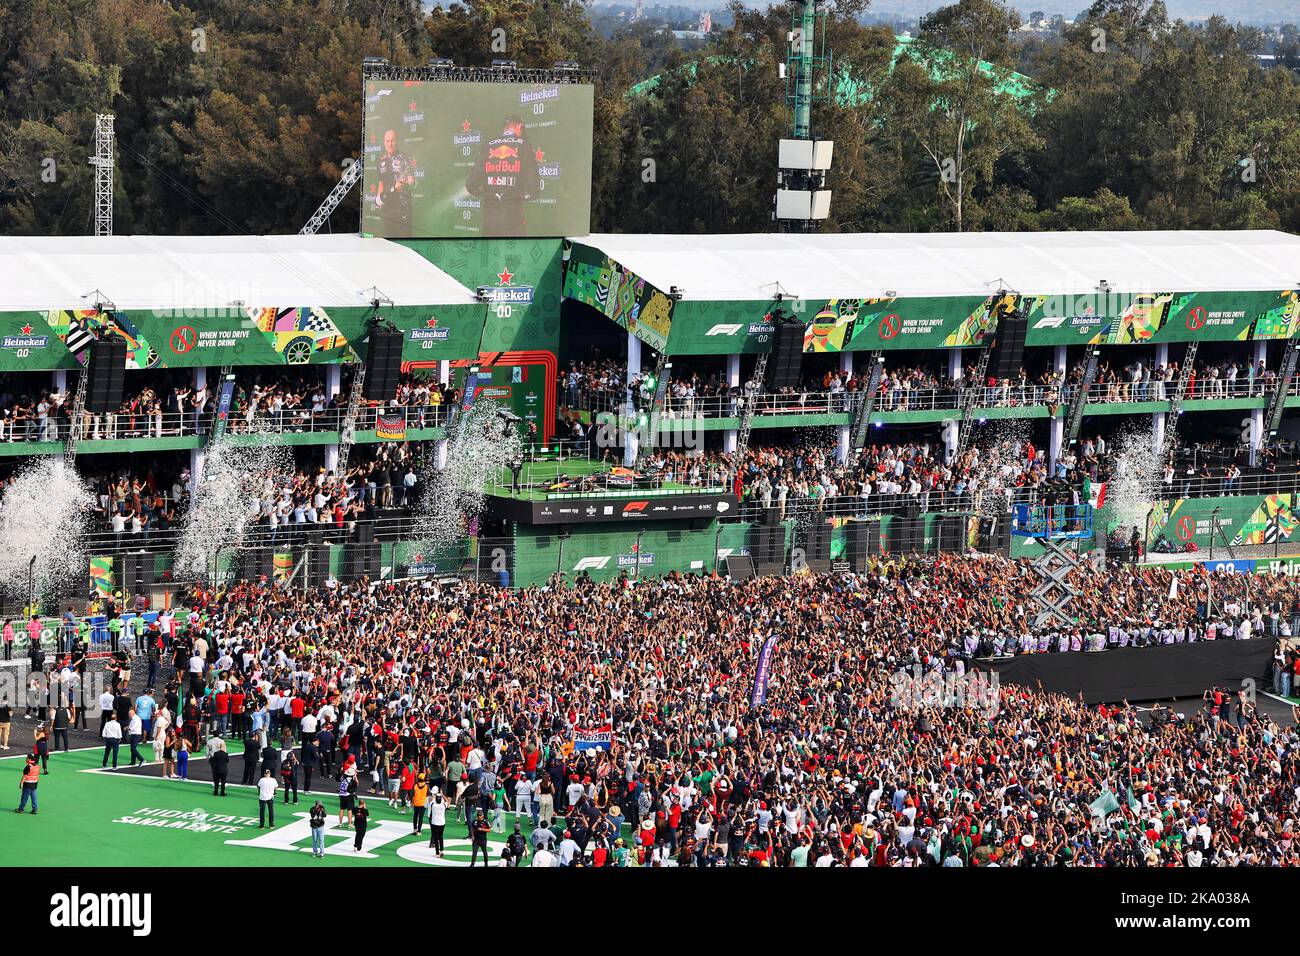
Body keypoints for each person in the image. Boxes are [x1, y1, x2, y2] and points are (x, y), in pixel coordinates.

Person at [428, 788, 447, 856]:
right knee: (441, 837)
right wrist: (442, 795)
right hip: (442, 823)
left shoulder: (433, 805)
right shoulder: (443, 806)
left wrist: (434, 795)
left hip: (434, 823)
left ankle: (437, 853)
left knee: (436, 838)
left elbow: (430, 801)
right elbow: (446, 801)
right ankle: (441, 851)